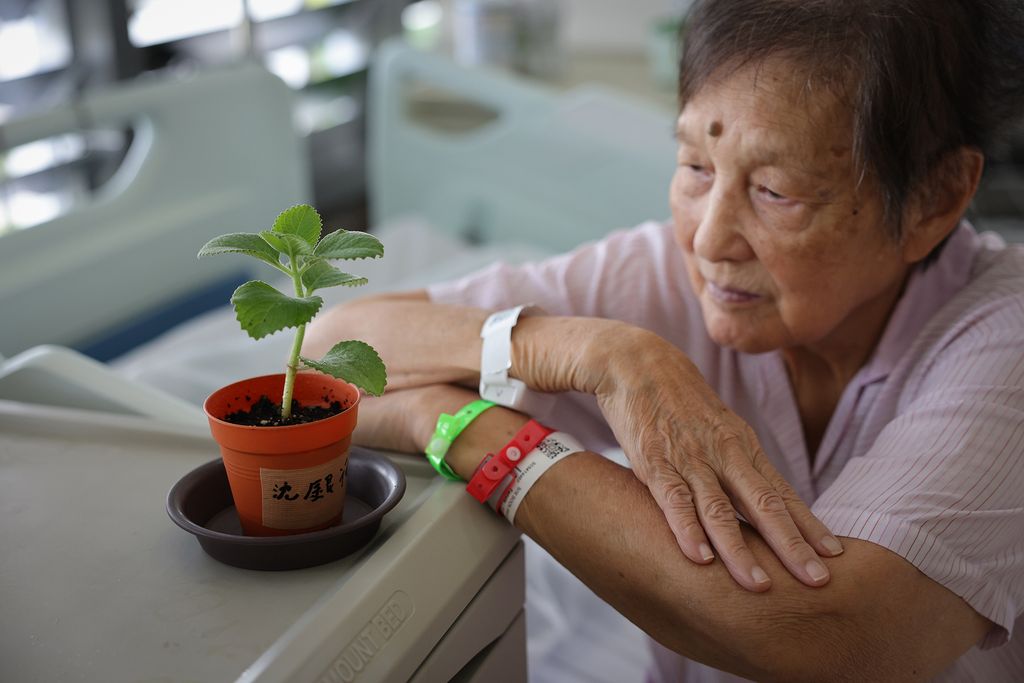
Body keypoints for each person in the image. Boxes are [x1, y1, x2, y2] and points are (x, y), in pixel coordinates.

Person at [304, 0, 1024, 679]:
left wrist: (461, 426)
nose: (709, 239)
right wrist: (594, 351)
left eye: (777, 192)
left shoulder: (1003, 336)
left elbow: (829, 632)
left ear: (934, 199)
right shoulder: (660, 280)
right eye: (695, 167)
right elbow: (319, 363)